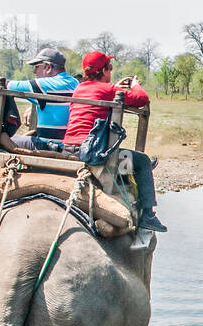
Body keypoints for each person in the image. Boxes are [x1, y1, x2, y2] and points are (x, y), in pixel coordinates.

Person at [63, 51, 166, 233]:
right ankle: (148, 215)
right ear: (103, 71)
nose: (110, 71)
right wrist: (135, 85)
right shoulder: (108, 90)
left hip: (69, 148)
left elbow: (101, 92)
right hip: (93, 151)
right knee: (141, 161)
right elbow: (142, 99)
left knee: (126, 158)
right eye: (109, 68)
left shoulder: (79, 89)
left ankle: (128, 181)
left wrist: (115, 88)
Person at [5, 47, 79, 150]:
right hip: (69, 146)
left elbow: (8, 86)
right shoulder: (75, 83)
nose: (34, 71)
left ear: (48, 67)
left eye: (36, 66)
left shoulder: (44, 84)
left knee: (1, 138)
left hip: (48, 146)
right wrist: (33, 107)